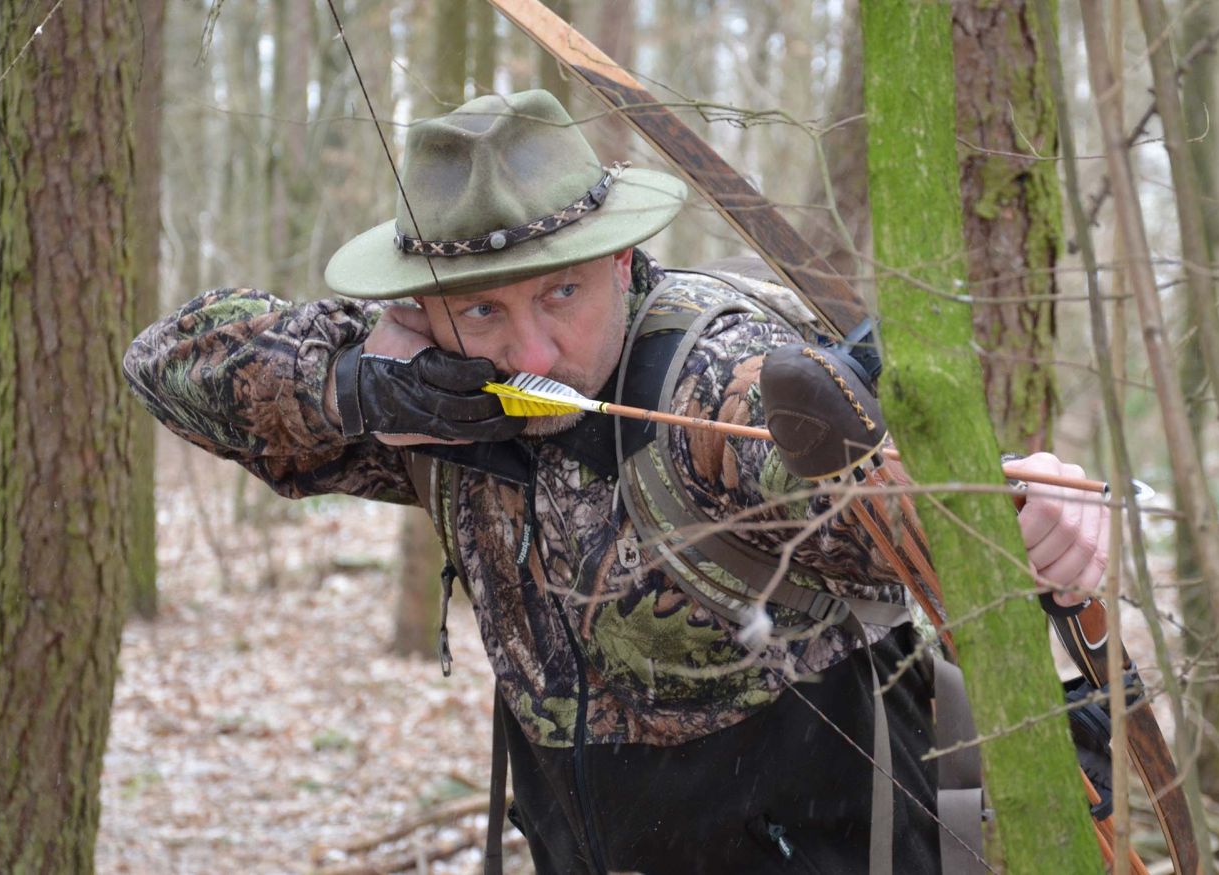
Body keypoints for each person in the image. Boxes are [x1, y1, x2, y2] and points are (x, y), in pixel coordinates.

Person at [123, 89, 1110, 874]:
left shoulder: (709, 374)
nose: (532, 348)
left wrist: (1020, 514)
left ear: (622, 257)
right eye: (481, 310)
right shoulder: (434, 398)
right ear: (425, 310)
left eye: (562, 290)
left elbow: (826, 470)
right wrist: (352, 384)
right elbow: (167, 362)